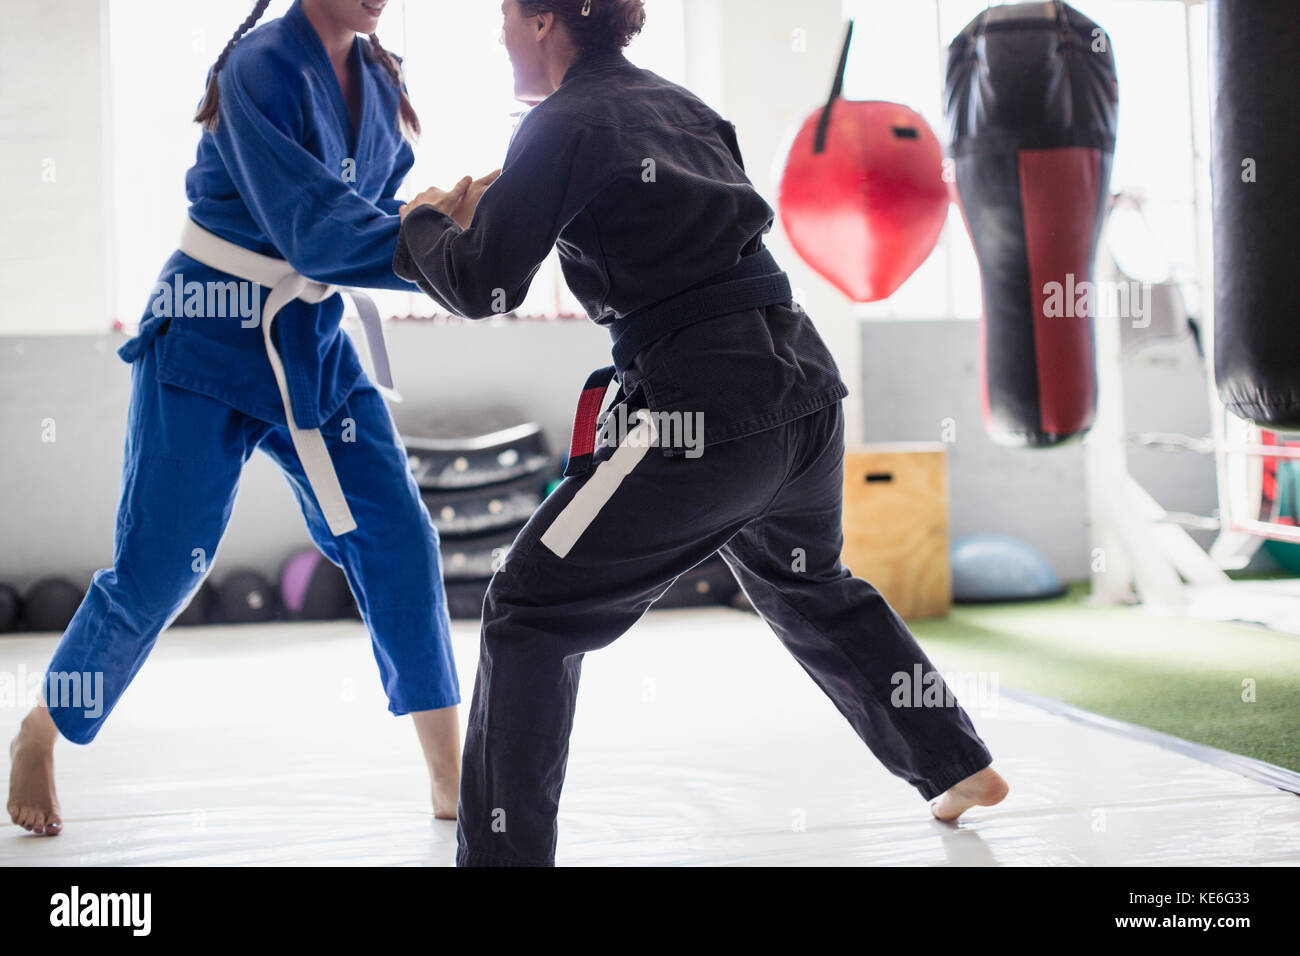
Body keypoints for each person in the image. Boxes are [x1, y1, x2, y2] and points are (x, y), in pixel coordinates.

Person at [397, 0, 1009, 867]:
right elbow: (668, 224)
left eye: (504, 14)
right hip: (803, 392)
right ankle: (954, 763)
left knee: (528, 606)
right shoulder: (680, 105)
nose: (498, 34)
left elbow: (485, 288)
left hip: (700, 413)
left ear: (542, 23)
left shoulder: (561, 122)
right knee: (808, 582)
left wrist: (417, 225)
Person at [7, 0, 462, 838]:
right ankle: (41, 729)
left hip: (311, 341)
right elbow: (319, 233)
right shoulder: (259, 67)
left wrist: (447, 216)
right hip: (207, 345)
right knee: (157, 572)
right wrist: (438, 234)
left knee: (398, 534)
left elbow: (365, 214)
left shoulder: (378, 74)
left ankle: (450, 775)